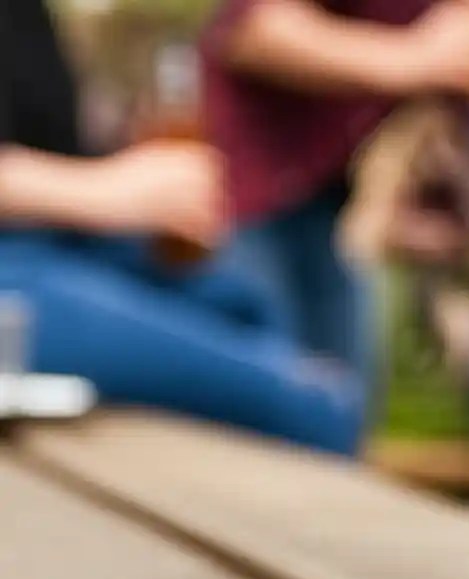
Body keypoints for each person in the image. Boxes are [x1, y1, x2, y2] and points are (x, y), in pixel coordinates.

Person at [0, 0, 363, 454]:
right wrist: (103, 191)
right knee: (317, 406)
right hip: (15, 281)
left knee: (244, 306)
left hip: (58, 250)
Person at [199, 0, 469, 393]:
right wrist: (417, 56)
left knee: (337, 411)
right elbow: (252, 28)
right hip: (254, 199)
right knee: (264, 412)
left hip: (344, 210)